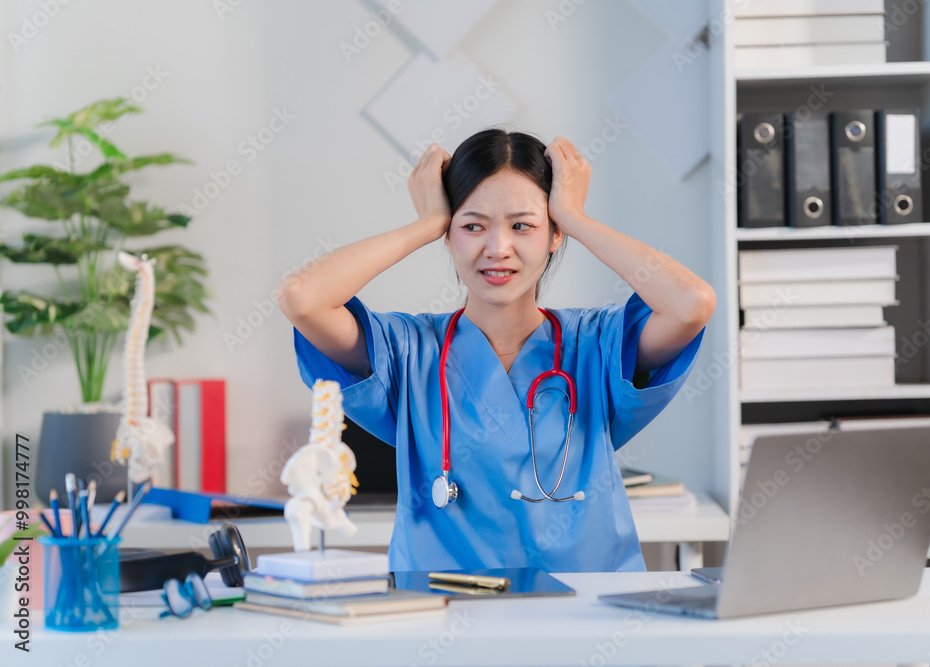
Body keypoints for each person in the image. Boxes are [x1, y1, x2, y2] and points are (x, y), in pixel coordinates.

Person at [277, 129, 715, 572]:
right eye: (473, 226)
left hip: (587, 614)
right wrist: (426, 223)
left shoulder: (596, 345)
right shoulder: (406, 352)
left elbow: (692, 303)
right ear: (450, 235)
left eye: (522, 225)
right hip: (442, 614)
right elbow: (301, 297)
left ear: (554, 234)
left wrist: (576, 217)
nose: (498, 248)